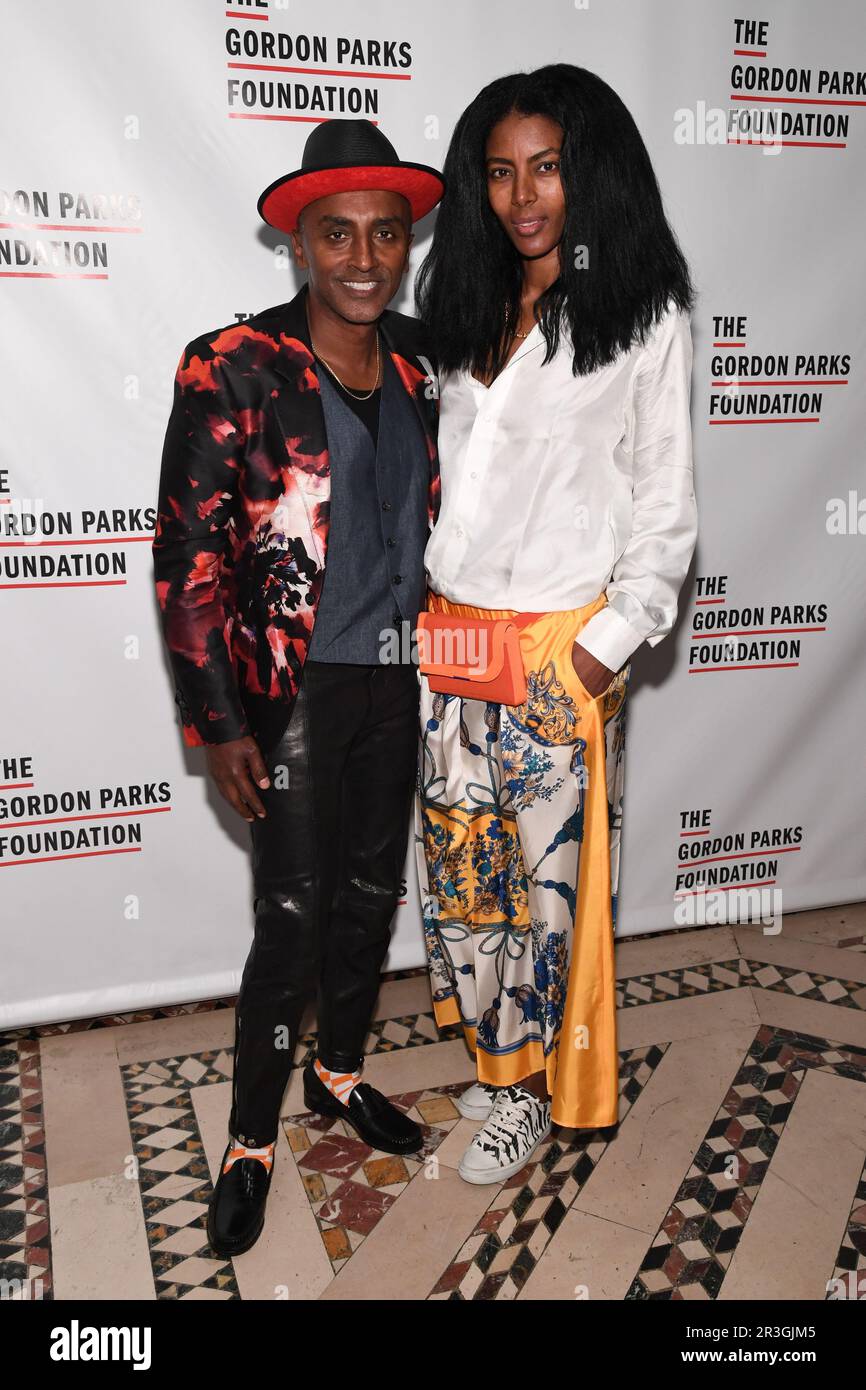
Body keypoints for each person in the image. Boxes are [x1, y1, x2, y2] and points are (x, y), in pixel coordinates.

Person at [152, 119, 444, 1254]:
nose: (364, 256)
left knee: (371, 895)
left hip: (397, 677)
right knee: (289, 917)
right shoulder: (232, 364)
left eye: (384, 233)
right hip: (288, 692)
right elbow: (188, 556)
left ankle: (337, 1072)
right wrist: (218, 719)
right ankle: (249, 1140)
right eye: (338, 235)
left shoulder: (425, 358)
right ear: (299, 245)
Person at [413, 64, 698, 1183]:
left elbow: (665, 510)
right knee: (461, 880)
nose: (522, 195)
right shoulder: (466, 304)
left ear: (590, 174)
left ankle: (533, 1095)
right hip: (452, 637)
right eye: (498, 172)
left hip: (553, 648)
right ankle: (498, 1079)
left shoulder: (639, 314)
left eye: (546, 168)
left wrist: (600, 648)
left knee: (547, 899)